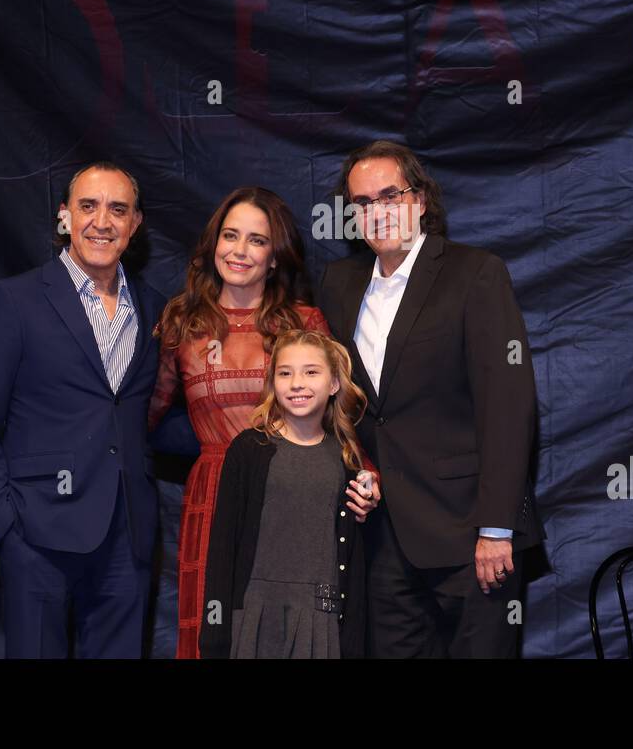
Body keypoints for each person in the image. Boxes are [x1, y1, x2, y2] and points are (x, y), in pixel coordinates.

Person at [318, 140, 544, 657]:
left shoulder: (474, 273)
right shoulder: (338, 283)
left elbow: (508, 408)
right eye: (362, 203)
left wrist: (496, 529)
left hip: (471, 533)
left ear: (420, 200)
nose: (378, 213)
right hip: (382, 536)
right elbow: (347, 407)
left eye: (390, 196)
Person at [147, 187, 378, 658]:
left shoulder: (303, 320)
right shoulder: (181, 324)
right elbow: (144, 415)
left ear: (274, 257)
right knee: (215, 637)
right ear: (214, 245)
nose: (240, 250)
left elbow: (342, 414)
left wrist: (366, 475)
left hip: (297, 498)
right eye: (230, 236)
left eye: (257, 240)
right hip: (213, 497)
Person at [0, 161, 167, 658]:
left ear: (135, 224)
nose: (102, 221)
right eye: (88, 206)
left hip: (126, 534)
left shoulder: (156, 308)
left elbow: (149, 414)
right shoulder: (14, 300)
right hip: (36, 533)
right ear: (64, 217)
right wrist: (6, 526)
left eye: (119, 209)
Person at [201, 330, 374, 658]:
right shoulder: (249, 450)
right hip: (254, 616)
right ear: (273, 383)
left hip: (321, 621)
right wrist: (215, 634)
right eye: (285, 373)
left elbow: (354, 560)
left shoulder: (346, 459)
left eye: (311, 372)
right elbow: (223, 547)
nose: (297, 383)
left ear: (334, 383)